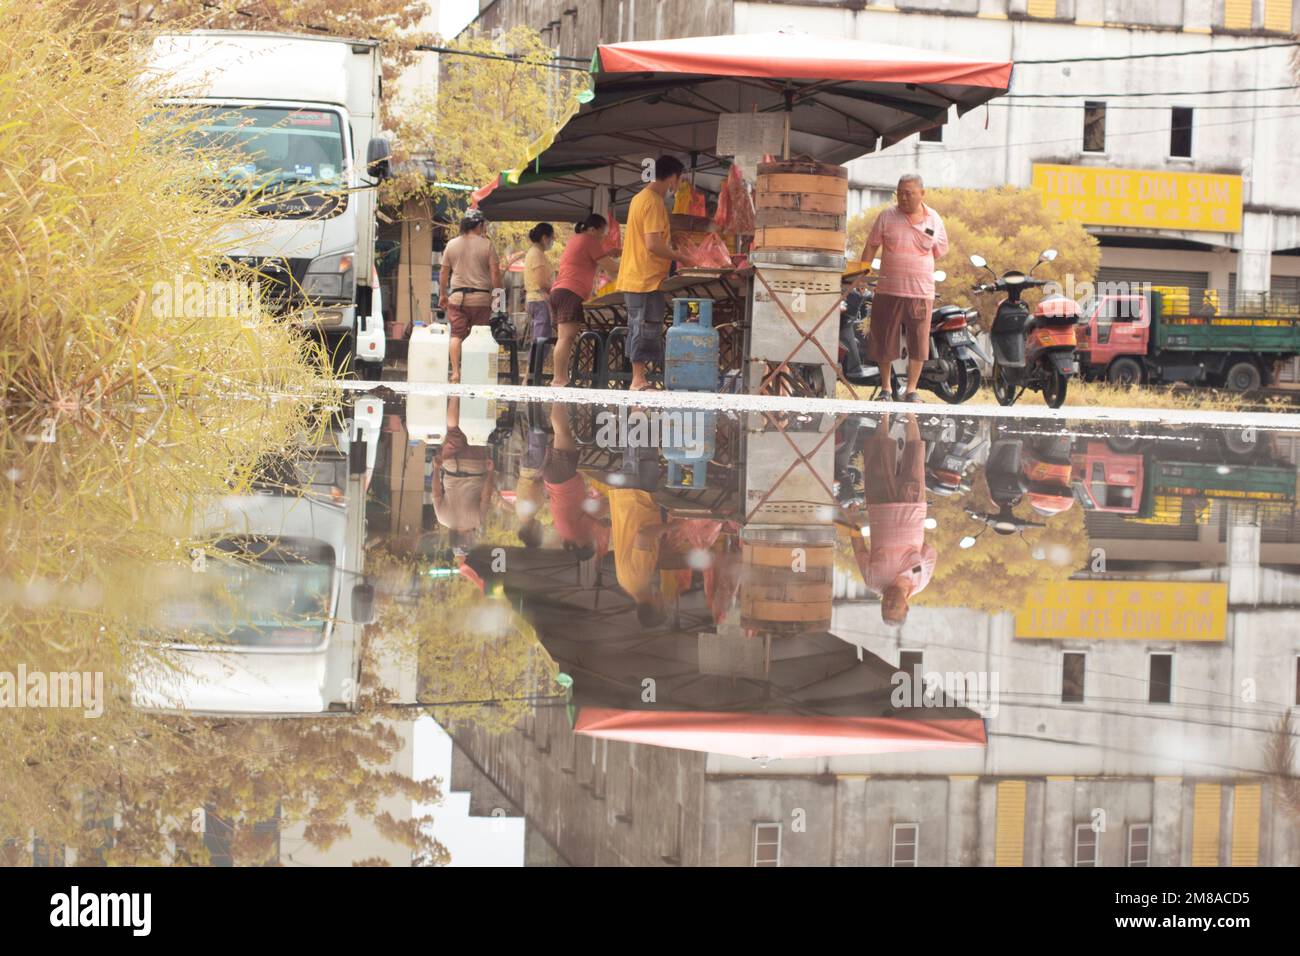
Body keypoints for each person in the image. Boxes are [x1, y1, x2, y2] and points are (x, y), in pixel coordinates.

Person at [858, 174, 948, 401]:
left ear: (922, 193)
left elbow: (940, 251)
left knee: (919, 341)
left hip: (920, 291)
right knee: (883, 340)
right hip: (888, 288)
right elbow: (871, 246)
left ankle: (911, 390)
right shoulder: (886, 216)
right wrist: (861, 275)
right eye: (900, 193)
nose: (904, 198)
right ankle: (887, 388)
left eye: (909, 193)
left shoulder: (934, 219)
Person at [844, 412, 937, 626]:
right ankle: (911, 414)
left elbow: (859, 548)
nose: (888, 602)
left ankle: (884, 414)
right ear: (906, 606)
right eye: (894, 607)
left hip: (879, 507)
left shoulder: (873, 581)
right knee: (914, 457)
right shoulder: (920, 580)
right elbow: (930, 551)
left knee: (879, 453)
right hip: (912, 509)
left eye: (884, 607)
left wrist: (853, 519)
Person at [616, 155, 685, 391]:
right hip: (643, 277)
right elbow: (653, 244)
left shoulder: (639, 198)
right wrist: (682, 257)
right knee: (642, 327)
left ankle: (640, 377)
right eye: (679, 180)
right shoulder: (653, 202)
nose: (677, 187)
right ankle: (637, 379)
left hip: (641, 276)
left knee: (643, 326)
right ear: (673, 177)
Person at [549, 214, 621, 387]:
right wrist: (630, 262)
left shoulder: (577, 239)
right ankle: (559, 379)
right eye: (603, 233)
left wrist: (609, 255)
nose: (603, 237)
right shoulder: (589, 240)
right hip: (570, 291)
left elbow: (604, 265)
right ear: (592, 229)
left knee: (564, 338)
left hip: (560, 291)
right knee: (566, 338)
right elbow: (611, 267)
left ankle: (560, 378)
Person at [439, 210, 501, 383]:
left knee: (456, 335)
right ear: (479, 225)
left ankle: (456, 372)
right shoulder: (487, 245)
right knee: (478, 336)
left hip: (457, 298)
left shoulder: (451, 244)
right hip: (481, 300)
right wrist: (498, 297)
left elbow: (444, 272)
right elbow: (495, 273)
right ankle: (474, 372)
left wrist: (443, 294)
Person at [523, 222, 555, 344]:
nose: (552, 242)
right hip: (539, 299)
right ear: (544, 238)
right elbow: (542, 282)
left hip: (535, 299)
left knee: (539, 337)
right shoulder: (537, 254)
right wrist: (555, 289)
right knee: (541, 339)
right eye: (552, 238)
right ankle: (535, 363)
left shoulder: (535, 252)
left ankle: (535, 363)